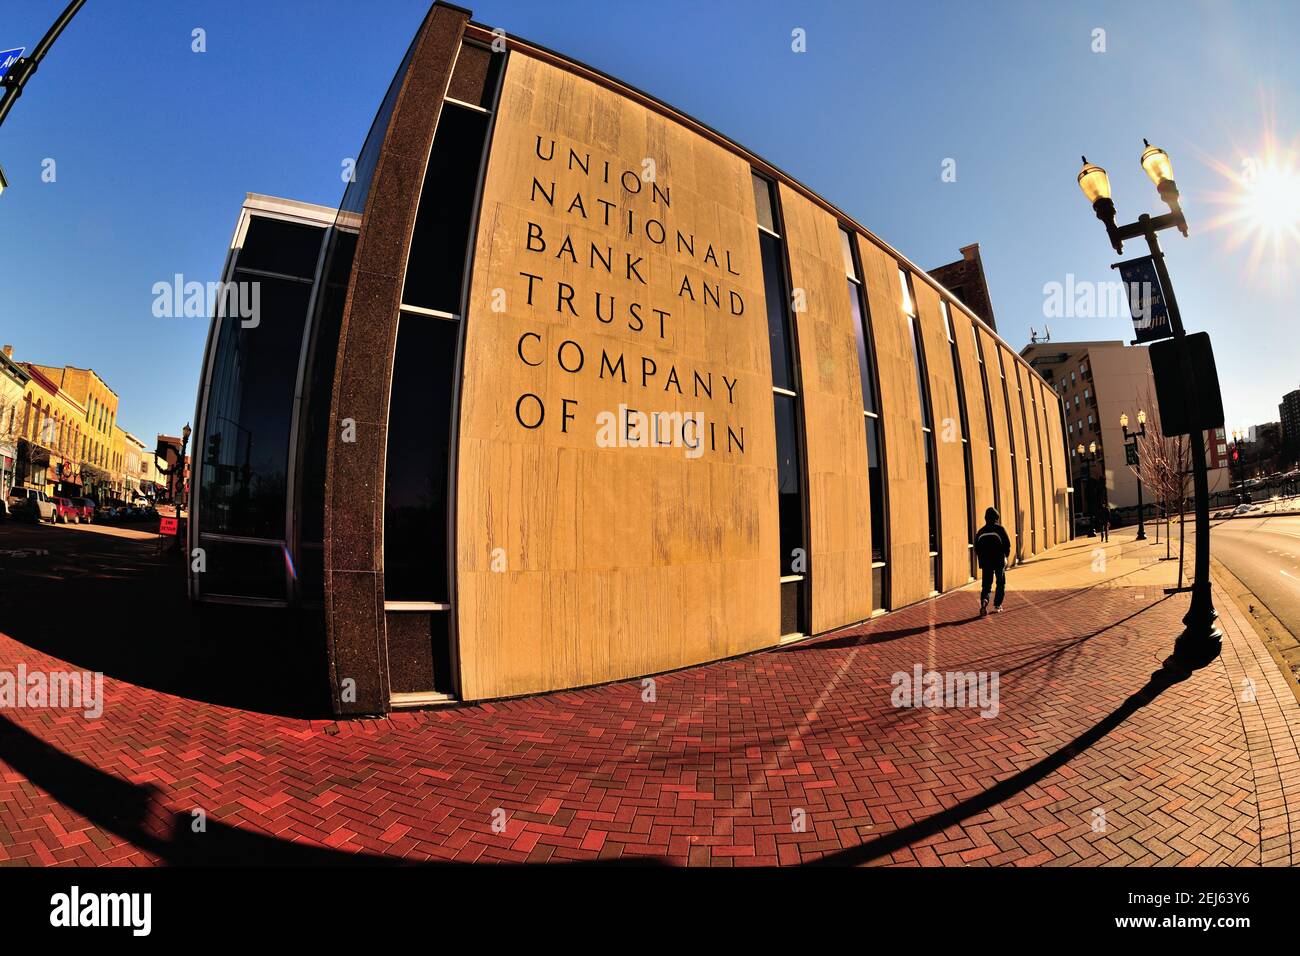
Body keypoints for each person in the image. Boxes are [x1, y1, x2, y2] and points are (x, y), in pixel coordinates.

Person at [975, 506, 1011, 616]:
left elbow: (977, 548)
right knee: (1000, 582)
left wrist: (982, 560)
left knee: (986, 584)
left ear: (986, 518)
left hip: (986, 563)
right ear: (996, 517)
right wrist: (1006, 556)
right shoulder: (1000, 529)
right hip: (998, 561)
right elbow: (1007, 545)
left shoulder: (981, 531)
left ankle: (984, 601)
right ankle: (997, 605)